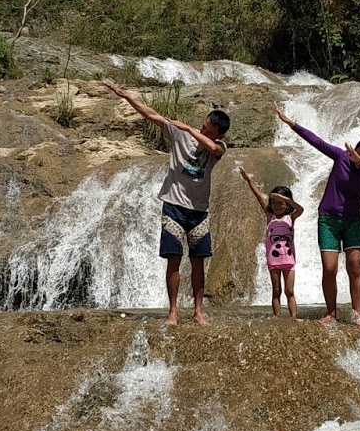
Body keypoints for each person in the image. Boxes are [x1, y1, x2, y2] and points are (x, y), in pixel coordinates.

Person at [103, 82, 229, 326]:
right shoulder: (180, 134)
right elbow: (151, 114)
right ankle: (173, 312)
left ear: (219, 134)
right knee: (173, 257)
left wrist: (190, 130)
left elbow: (213, 148)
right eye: (203, 124)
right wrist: (126, 95)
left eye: (209, 129)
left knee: (198, 262)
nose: (203, 129)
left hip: (199, 211)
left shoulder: (219, 146)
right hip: (173, 206)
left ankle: (198, 311)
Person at [273, 107, 360, 330]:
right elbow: (317, 141)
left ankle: (357, 314)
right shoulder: (341, 157)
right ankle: (331, 313)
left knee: (354, 267)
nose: (355, 158)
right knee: (330, 268)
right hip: (328, 220)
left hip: (353, 221)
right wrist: (290, 123)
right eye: (356, 153)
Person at [238, 167, 303, 319]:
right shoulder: (270, 216)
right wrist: (248, 180)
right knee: (276, 290)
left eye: (280, 203)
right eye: (273, 202)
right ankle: (277, 317)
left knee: (290, 291)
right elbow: (258, 196)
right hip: (273, 261)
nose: (276, 206)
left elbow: (300, 209)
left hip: (289, 261)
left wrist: (286, 200)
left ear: (287, 204)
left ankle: (294, 317)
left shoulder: (291, 218)